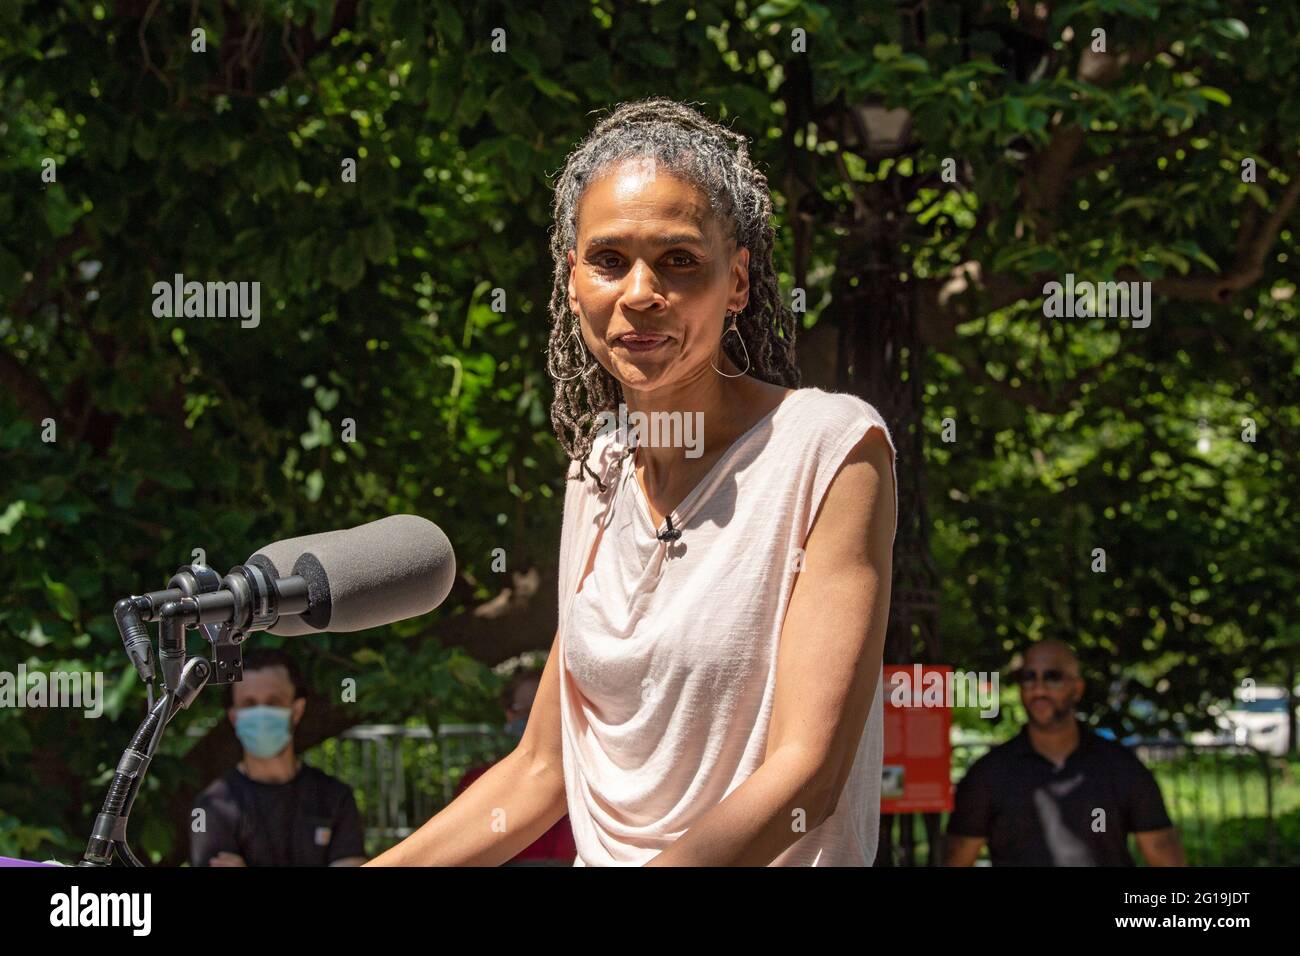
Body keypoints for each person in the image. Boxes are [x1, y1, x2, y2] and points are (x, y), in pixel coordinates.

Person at [367, 96, 897, 867]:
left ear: (738, 282)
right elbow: (542, 770)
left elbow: (807, 778)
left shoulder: (830, 449)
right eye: (609, 259)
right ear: (573, 279)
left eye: (680, 260)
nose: (641, 291)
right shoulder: (599, 470)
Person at [944, 638, 1185, 866]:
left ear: (1077, 688)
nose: (1039, 689)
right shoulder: (988, 775)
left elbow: (1163, 852)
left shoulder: (1121, 767)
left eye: (1053, 677)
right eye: (1028, 677)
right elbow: (957, 858)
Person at [190, 649, 367, 867]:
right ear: (234, 717)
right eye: (249, 704)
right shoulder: (213, 806)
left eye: (273, 702)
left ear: (297, 710)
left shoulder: (336, 798)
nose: (261, 713)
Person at [453, 670, 576, 865]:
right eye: (525, 710)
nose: (536, 719)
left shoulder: (589, 780)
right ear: (509, 713)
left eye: (545, 708)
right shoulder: (478, 783)